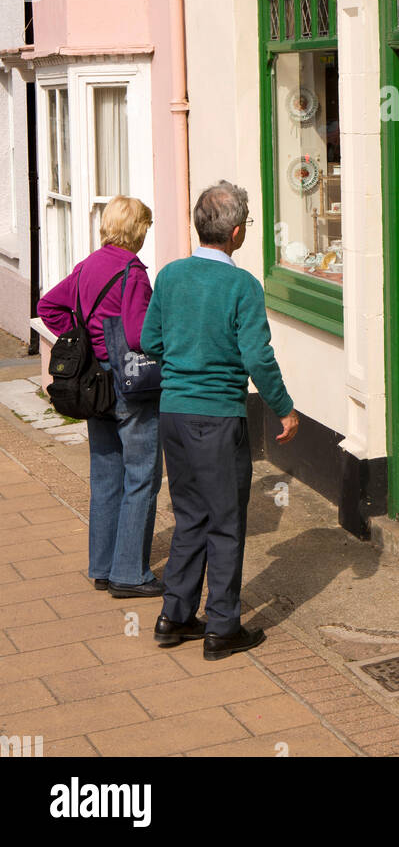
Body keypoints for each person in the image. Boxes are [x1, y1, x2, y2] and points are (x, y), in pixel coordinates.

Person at [141, 181, 299, 660]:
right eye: (246, 225)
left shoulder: (170, 276)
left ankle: (175, 616)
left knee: (190, 516)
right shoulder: (243, 286)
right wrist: (285, 407)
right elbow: (257, 355)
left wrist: (187, 359)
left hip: (173, 413)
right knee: (226, 522)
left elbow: (151, 340)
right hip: (218, 417)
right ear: (235, 233)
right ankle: (223, 626)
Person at [37, 196, 162, 598]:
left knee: (106, 476)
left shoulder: (87, 266)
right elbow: (139, 335)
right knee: (141, 477)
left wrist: (84, 338)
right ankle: (130, 574)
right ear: (136, 230)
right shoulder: (133, 273)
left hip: (94, 385)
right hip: (129, 385)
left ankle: (103, 566)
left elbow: (48, 305)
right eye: (146, 226)